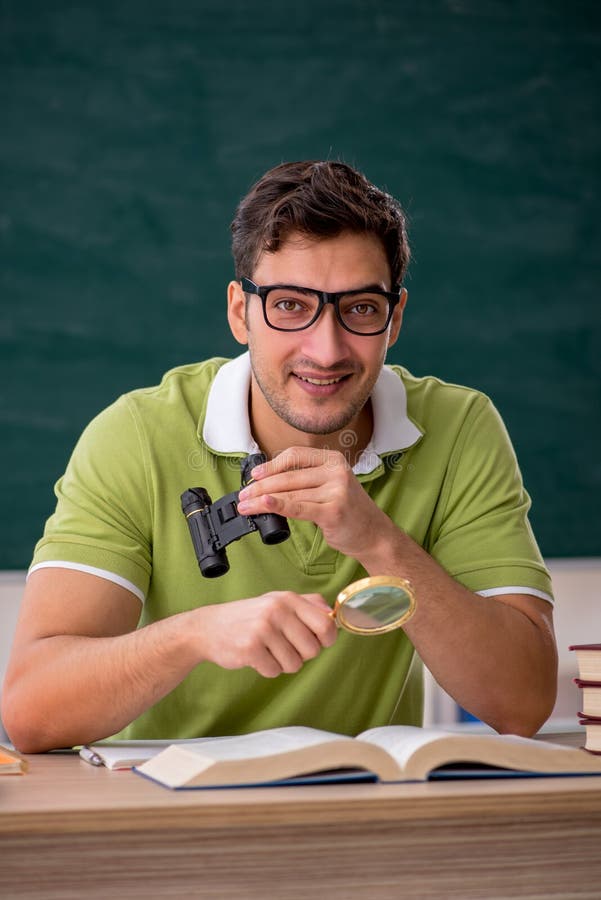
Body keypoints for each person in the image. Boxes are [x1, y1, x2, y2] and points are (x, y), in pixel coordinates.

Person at [2, 161, 557, 753]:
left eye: (361, 308)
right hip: (168, 821)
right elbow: (32, 711)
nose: (327, 348)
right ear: (240, 311)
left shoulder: (459, 427)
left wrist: (377, 540)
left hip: (367, 816)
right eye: (291, 305)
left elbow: (520, 704)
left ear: (395, 317)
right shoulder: (137, 435)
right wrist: (194, 634)